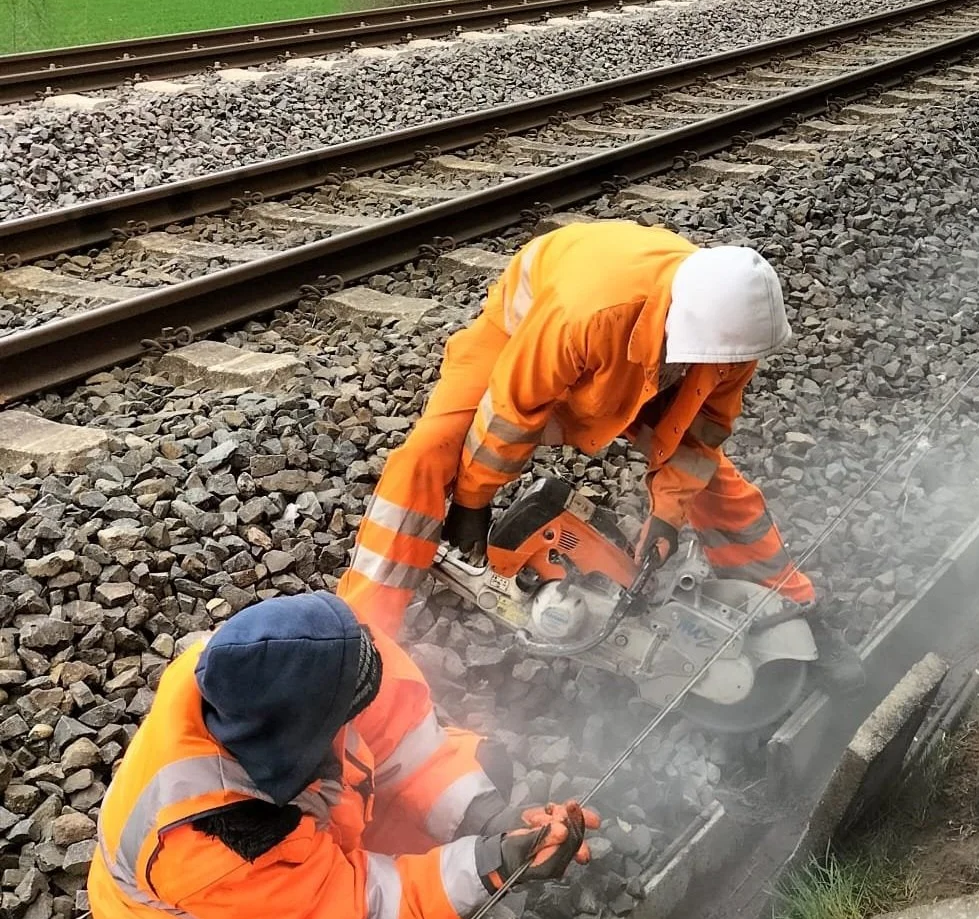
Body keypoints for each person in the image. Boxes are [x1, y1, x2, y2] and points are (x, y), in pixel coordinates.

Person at [88, 593, 599, 919]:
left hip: (308, 847)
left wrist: (494, 822)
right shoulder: (209, 834)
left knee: (487, 778)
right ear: (291, 746)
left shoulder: (330, 658)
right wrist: (488, 865)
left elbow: (412, 749)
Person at [338, 219, 863, 691]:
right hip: (528, 335)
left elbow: (699, 441)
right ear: (681, 329)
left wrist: (666, 518)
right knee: (427, 456)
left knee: (718, 487)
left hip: (632, 356)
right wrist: (473, 501)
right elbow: (512, 411)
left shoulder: (729, 342)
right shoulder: (583, 314)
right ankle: (360, 645)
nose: (731, 368)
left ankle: (791, 609)